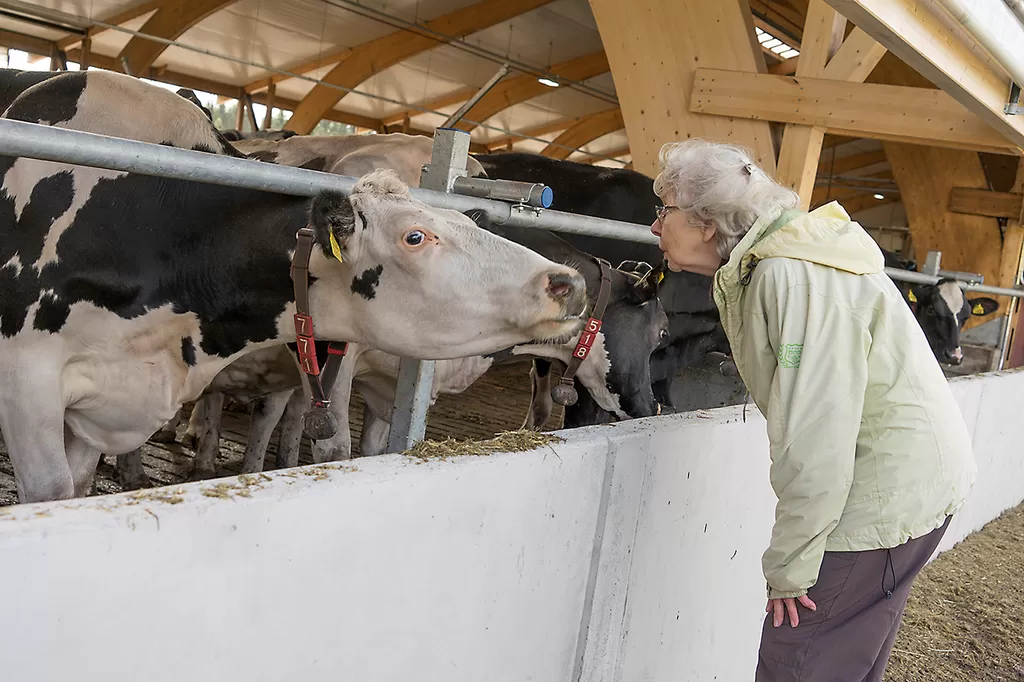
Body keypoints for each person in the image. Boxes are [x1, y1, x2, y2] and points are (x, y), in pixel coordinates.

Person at [649, 138, 976, 682]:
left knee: (796, 661)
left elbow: (817, 436)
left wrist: (790, 567)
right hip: (910, 480)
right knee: (845, 659)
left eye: (664, 211)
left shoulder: (790, 277)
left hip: (879, 494)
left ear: (706, 222)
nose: (655, 227)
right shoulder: (782, 265)